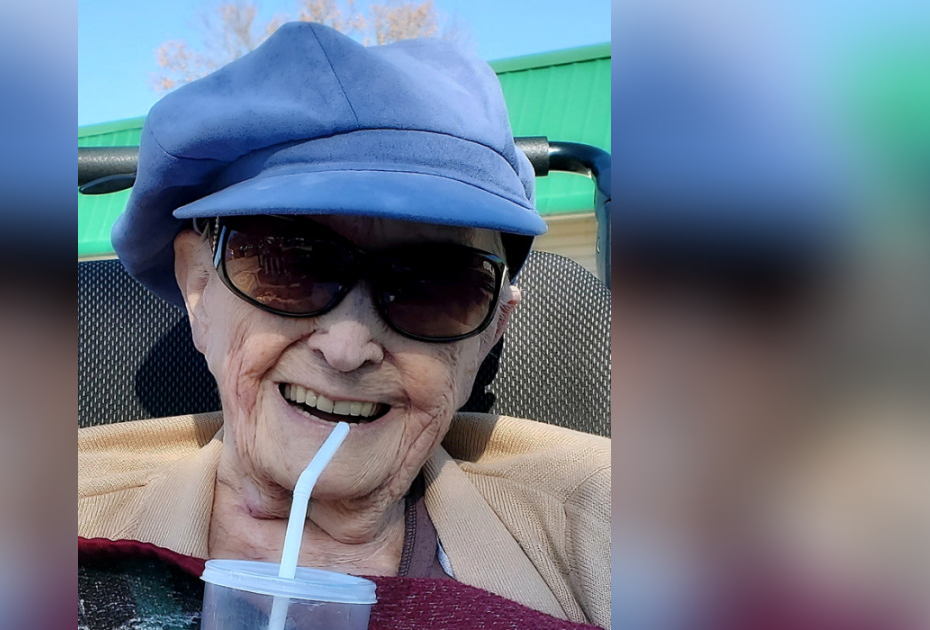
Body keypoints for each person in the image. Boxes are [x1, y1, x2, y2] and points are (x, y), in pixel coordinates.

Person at [78, 22, 611, 628]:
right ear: (199, 289)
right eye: (291, 265)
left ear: (491, 332)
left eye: (435, 284)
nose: (347, 347)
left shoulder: (605, 527)